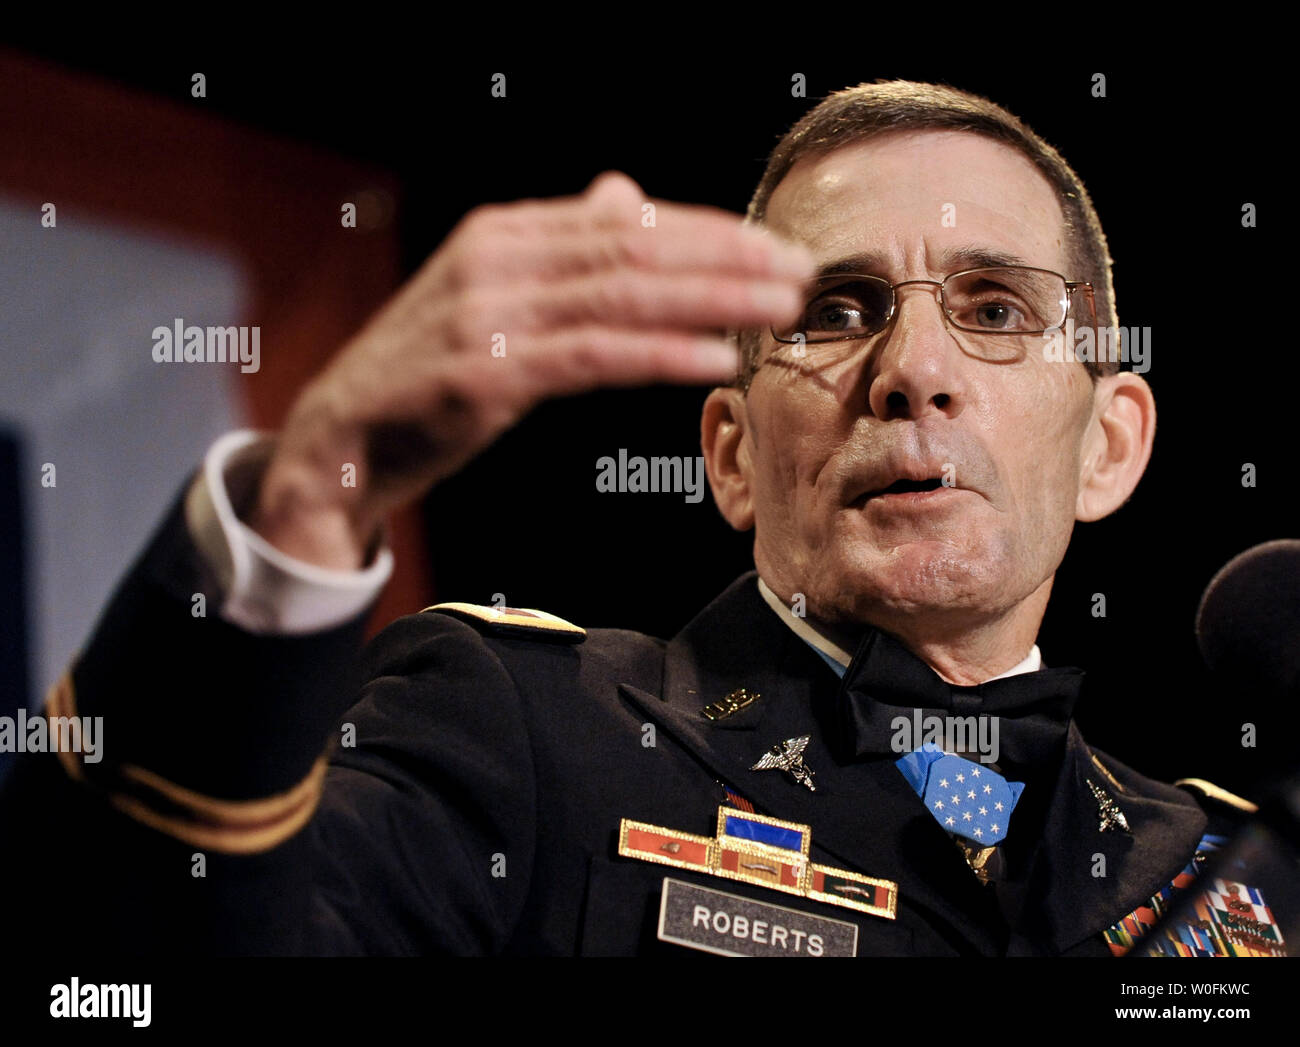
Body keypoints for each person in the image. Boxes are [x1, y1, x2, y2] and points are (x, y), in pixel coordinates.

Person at [0, 80, 1274, 957]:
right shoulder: (522, 733)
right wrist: (301, 496)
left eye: (994, 310)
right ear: (728, 455)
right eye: (835, 310)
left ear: (1108, 446)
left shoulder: (1238, 876)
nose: (912, 368)